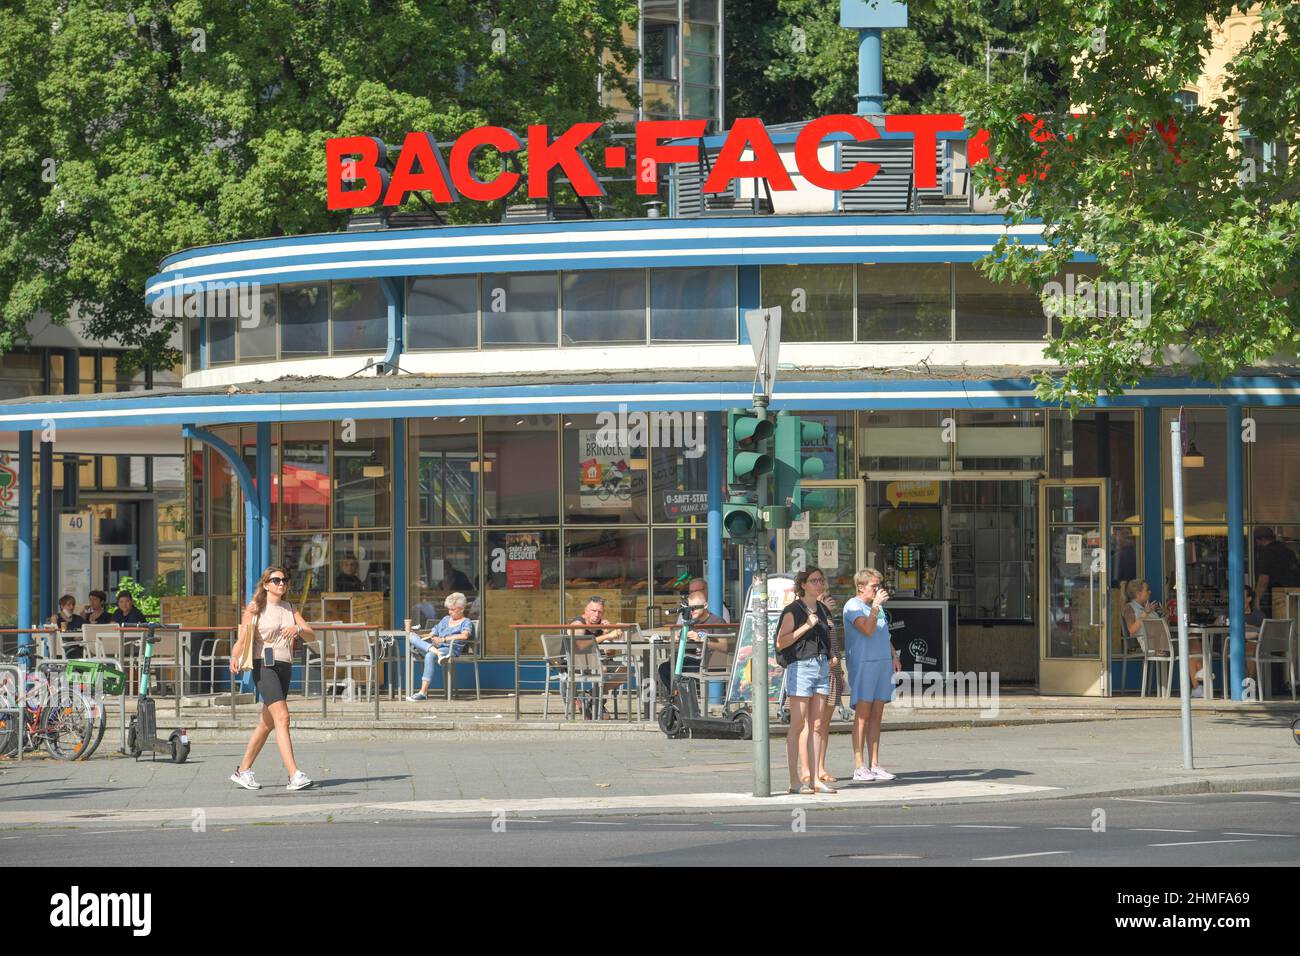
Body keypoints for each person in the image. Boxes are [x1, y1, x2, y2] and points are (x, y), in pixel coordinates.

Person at [229, 566, 315, 792]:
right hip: (264, 665)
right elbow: (242, 638)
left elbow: (310, 633)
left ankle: (243, 771)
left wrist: (297, 628)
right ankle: (294, 774)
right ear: (266, 584)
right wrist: (234, 657)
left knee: (267, 722)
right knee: (283, 717)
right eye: (276, 580)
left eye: (284, 580)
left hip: (285, 666)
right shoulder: (256, 608)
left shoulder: (290, 607)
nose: (281, 584)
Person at [774, 567, 837, 794]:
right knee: (798, 724)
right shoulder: (793, 610)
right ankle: (794, 780)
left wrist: (830, 656)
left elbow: (825, 637)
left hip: (821, 666)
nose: (819, 584)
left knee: (818, 724)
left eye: (821, 580)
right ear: (803, 584)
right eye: (814, 580)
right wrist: (806, 626)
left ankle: (815, 778)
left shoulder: (822, 609)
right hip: (800, 666)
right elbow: (781, 642)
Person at [843, 567, 901, 782]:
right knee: (862, 716)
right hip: (864, 664)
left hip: (882, 663)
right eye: (874, 586)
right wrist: (875, 607)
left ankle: (875, 763)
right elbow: (866, 630)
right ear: (861, 587)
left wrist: (893, 655)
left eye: (878, 586)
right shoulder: (853, 606)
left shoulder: (876, 608)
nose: (878, 590)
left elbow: (882, 634)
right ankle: (859, 766)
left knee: (877, 715)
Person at [406, 592, 474, 701]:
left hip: (450, 649)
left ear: (461, 609)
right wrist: (418, 634)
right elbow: (432, 633)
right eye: (449, 609)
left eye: (453, 609)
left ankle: (422, 693)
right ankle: (438, 654)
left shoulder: (466, 622)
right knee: (411, 637)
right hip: (436, 648)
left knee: (429, 656)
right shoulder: (446, 619)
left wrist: (443, 639)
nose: (450, 612)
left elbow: (464, 635)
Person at [569, 597, 627, 716]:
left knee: (625, 670)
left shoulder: (601, 625)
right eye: (594, 611)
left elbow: (609, 654)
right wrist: (607, 636)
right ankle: (595, 702)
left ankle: (590, 696)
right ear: (586, 610)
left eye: (600, 612)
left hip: (598, 661)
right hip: (576, 662)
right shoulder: (578, 623)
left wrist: (606, 633)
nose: (597, 614)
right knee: (602, 668)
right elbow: (580, 645)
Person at [657, 594, 726, 693]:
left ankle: (684, 698)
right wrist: (678, 639)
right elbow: (683, 646)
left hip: (710, 663)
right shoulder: (691, 623)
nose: (691, 611)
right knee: (665, 668)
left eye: (694, 608)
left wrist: (703, 641)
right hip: (695, 660)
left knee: (675, 668)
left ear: (705, 605)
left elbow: (724, 646)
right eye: (689, 608)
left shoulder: (717, 621)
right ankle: (678, 697)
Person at [1254, 527, 1299, 615]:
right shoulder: (1288, 552)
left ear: (1262, 539)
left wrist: (1256, 598)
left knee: (1271, 623)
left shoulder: (1267, 553)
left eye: (1256, 540)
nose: (1256, 543)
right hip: (1293, 594)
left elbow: (1264, 578)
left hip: (1275, 596)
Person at [49, 594, 87, 659]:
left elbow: (86, 631)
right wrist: (53, 621)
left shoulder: (78, 619)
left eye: (73, 605)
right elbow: (52, 632)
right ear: (62, 606)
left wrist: (81, 636)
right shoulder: (57, 618)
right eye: (69, 605)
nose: (71, 607)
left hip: (78, 646)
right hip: (63, 648)